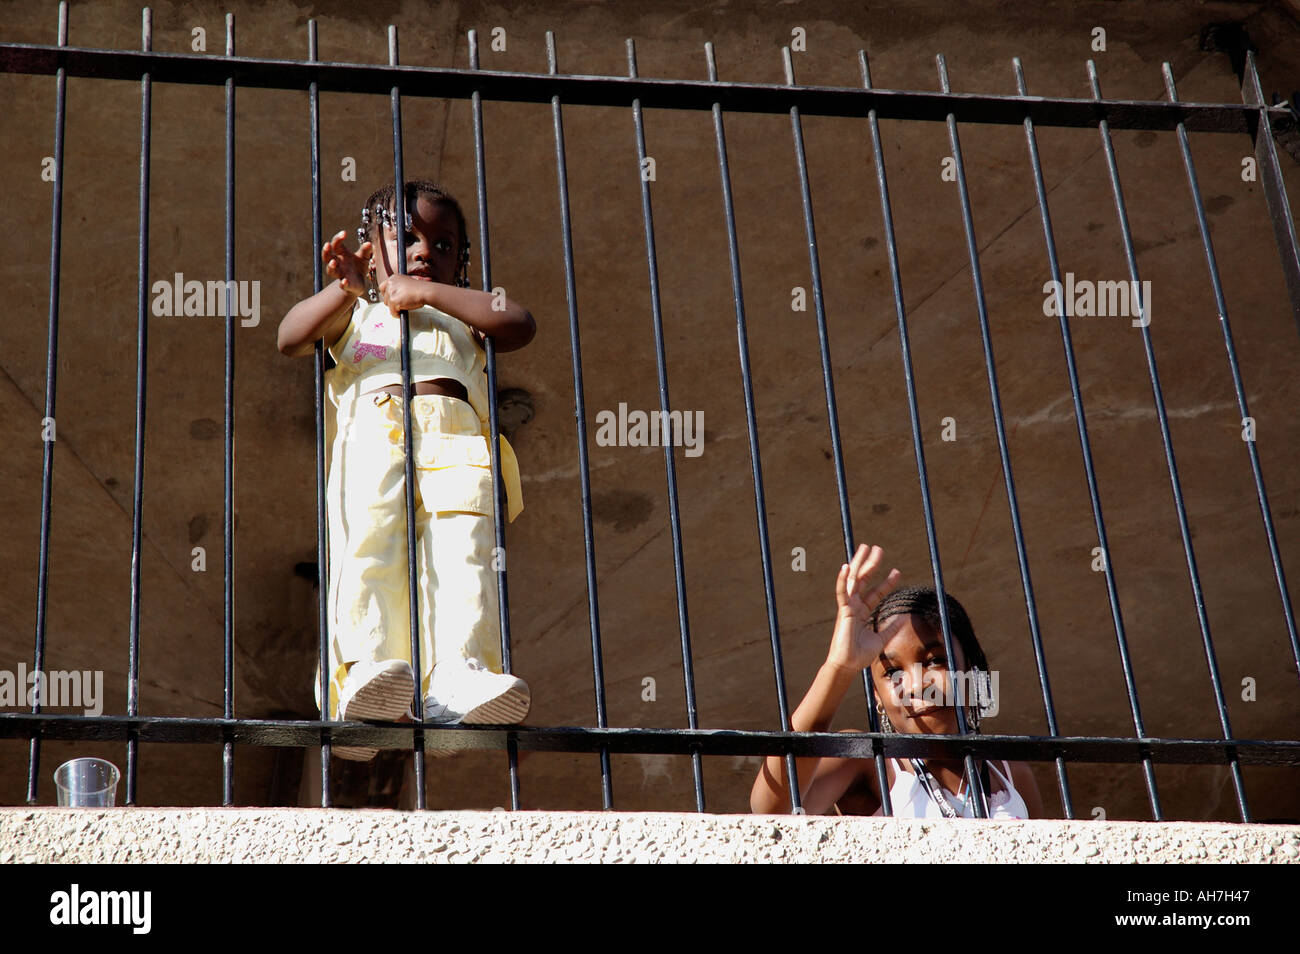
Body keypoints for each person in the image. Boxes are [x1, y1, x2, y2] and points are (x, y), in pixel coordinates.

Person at [278, 179, 536, 761]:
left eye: (444, 245)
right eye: (408, 237)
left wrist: (429, 295)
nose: (425, 252)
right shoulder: (357, 314)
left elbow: (518, 322)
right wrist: (344, 292)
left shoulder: (462, 316)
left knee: (462, 557)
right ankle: (362, 681)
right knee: (369, 551)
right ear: (371, 250)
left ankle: (457, 678)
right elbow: (290, 337)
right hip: (372, 447)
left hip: (455, 450)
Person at [750, 543, 1043, 818]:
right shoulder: (868, 761)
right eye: (893, 673)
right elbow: (771, 809)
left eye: (935, 660)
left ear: (971, 669)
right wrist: (839, 667)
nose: (917, 685)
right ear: (877, 696)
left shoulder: (1009, 772)